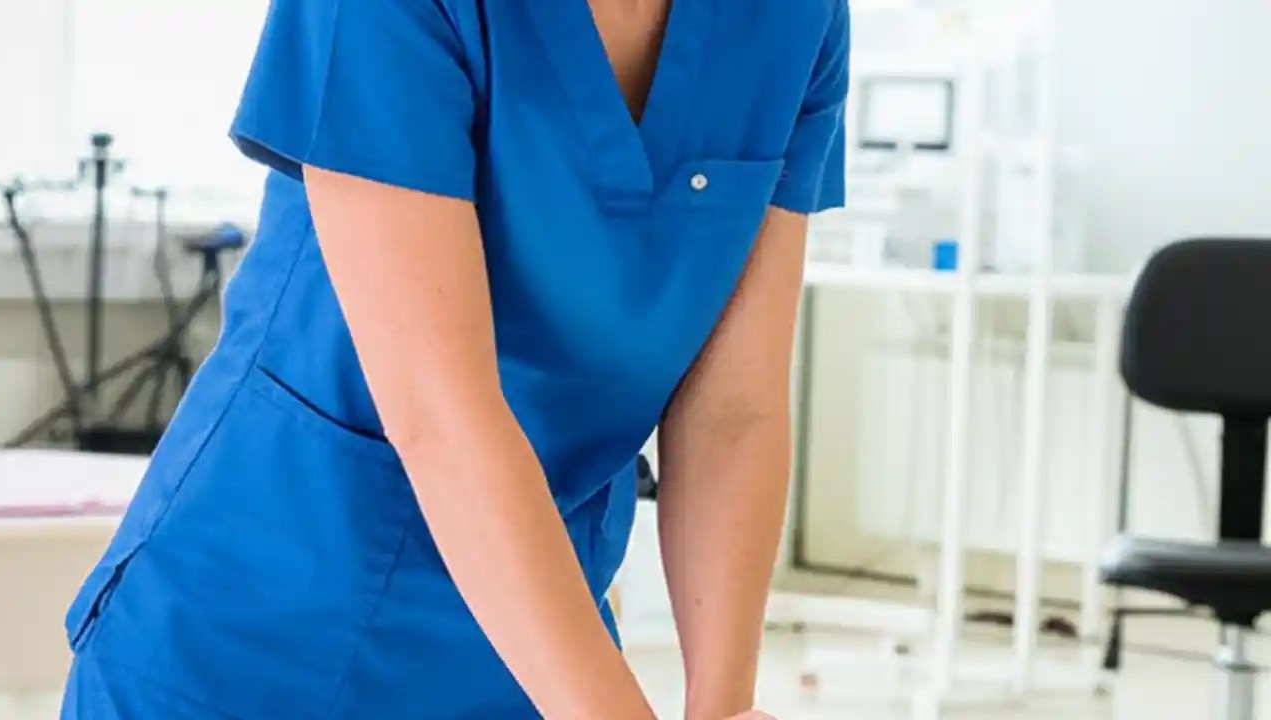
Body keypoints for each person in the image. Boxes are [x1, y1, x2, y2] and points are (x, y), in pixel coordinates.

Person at [59, 0, 850, 717]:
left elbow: (732, 413)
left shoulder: (794, 18)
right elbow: (443, 419)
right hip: (248, 642)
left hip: (533, 650)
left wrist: (723, 705)